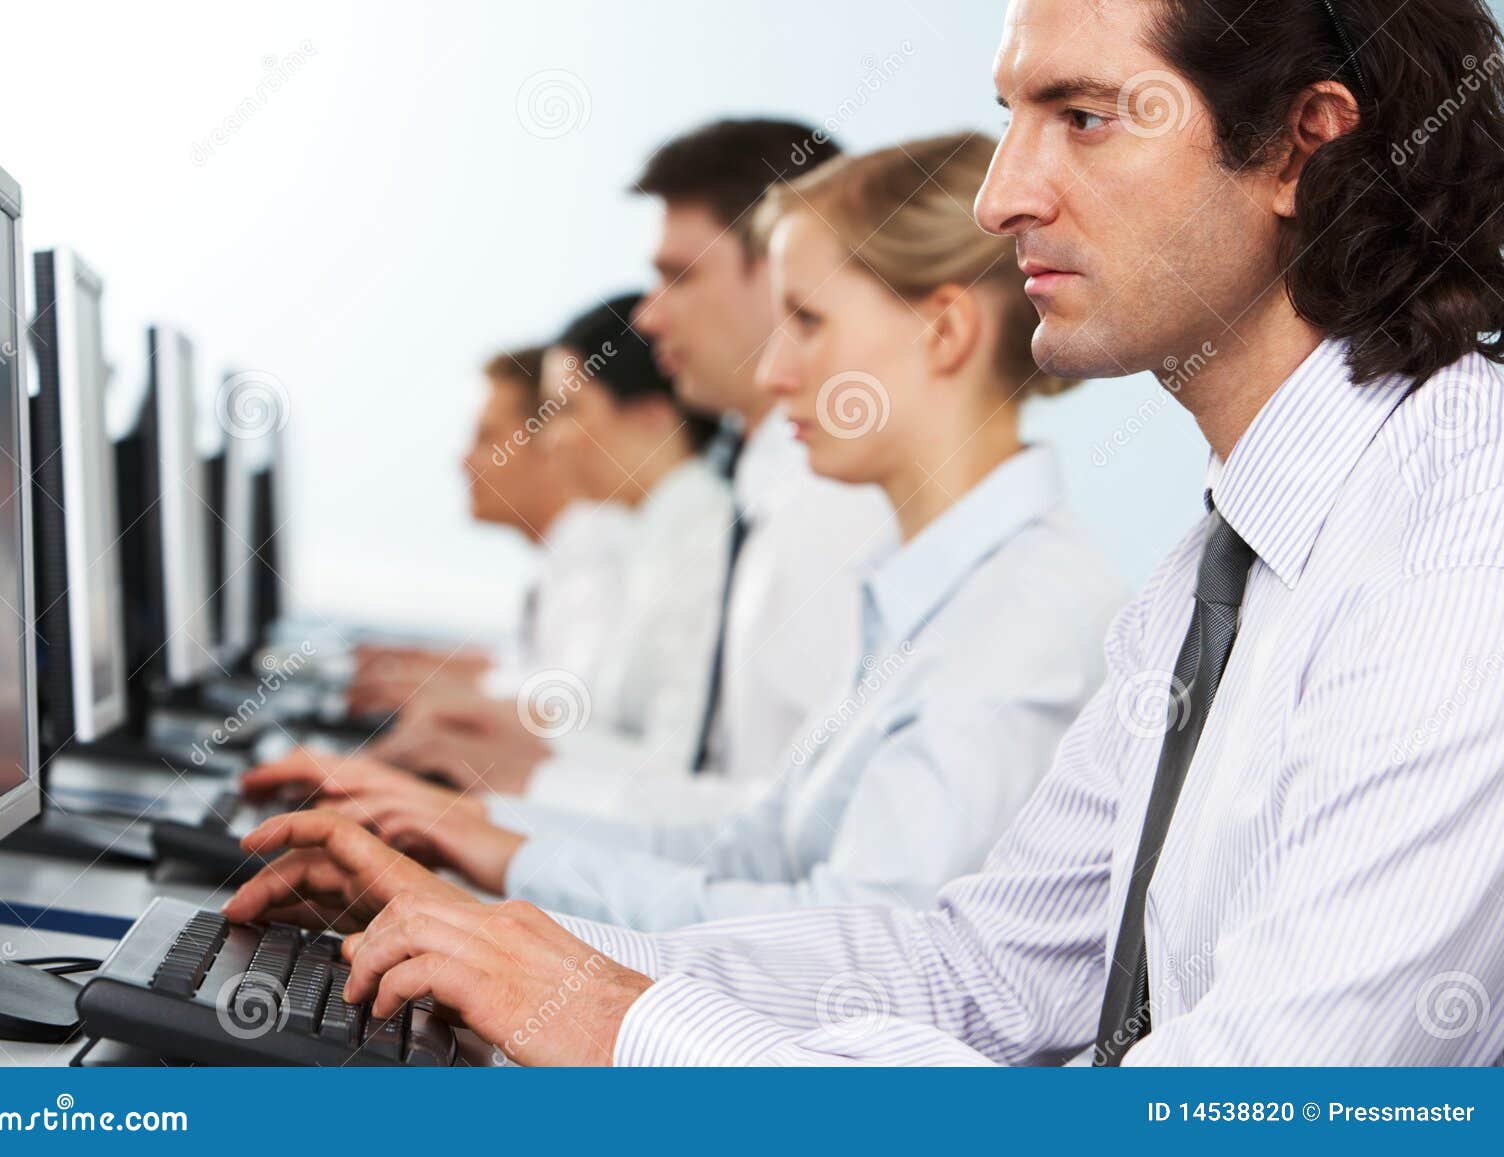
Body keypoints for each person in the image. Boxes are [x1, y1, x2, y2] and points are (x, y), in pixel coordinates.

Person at [228, 0, 1504, 1066]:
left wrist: (616, 1020)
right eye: (1011, 117)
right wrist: (524, 950)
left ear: (1302, 150)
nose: (1005, 194)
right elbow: (984, 967)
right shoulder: (1212, 569)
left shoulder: (1458, 548)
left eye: (1082, 116)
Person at [242, 133, 1127, 932]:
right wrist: (477, 836)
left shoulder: (1025, 615)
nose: (777, 371)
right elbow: (759, 848)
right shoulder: (917, 579)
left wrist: (495, 881)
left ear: (944, 331)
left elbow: (856, 945)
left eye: (808, 323)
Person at [374, 120, 900, 823]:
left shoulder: (830, 518)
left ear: (784, 270)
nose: (648, 317)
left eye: (678, 275)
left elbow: (790, 844)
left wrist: (514, 794)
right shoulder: (765, 498)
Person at [375, 294, 732, 774]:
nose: (548, 438)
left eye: (568, 410)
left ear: (653, 417)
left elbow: (673, 769)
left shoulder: (702, 542)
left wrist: (491, 744)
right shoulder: (660, 538)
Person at [348, 347, 634, 715]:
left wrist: (455, 693)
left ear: (549, 442)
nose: (464, 460)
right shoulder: (567, 560)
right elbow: (547, 678)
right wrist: (454, 675)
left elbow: (573, 715)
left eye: (487, 437)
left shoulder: (600, 556)